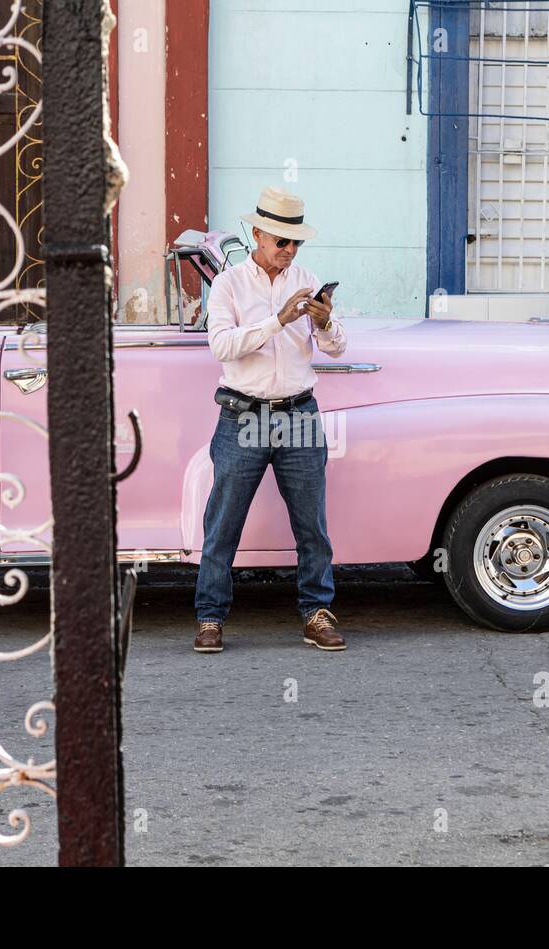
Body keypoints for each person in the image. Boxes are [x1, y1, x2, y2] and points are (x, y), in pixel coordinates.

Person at [193, 186, 348, 653]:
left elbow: (337, 348)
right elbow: (222, 345)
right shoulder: (229, 284)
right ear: (258, 235)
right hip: (243, 413)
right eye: (282, 240)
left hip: (298, 411)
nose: (289, 250)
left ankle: (317, 612)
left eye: (295, 241)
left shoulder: (307, 278)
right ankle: (210, 617)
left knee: (312, 524)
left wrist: (324, 322)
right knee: (223, 523)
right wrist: (278, 320)